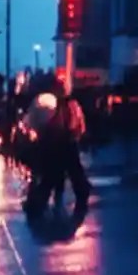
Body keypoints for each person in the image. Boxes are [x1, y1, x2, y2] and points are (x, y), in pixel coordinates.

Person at [23, 79, 91, 217]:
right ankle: (42, 202)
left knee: (58, 173)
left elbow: (75, 124)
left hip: (62, 142)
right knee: (59, 173)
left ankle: (40, 203)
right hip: (60, 143)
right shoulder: (56, 105)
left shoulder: (66, 105)